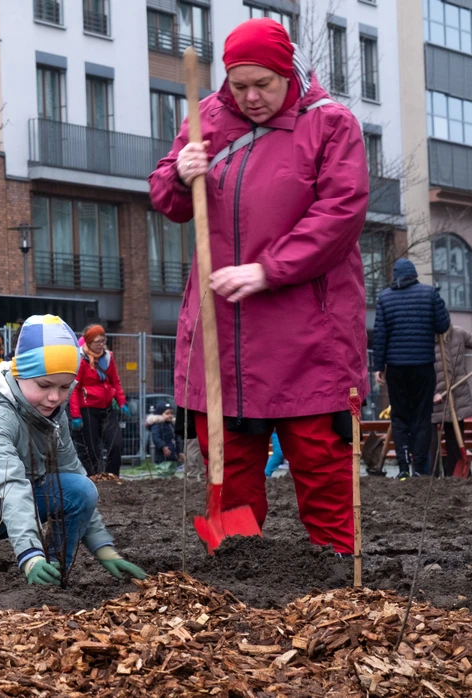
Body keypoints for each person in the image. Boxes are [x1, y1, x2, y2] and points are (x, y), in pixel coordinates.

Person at [149, 18, 369, 555]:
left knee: (321, 464)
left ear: (287, 73)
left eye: (263, 84)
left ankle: (339, 570)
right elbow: (168, 199)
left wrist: (268, 270)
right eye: (239, 84)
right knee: (230, 475)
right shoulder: (206, 117)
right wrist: (178, 173)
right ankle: (237, 570)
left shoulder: (331, 124)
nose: (250, 97)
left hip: (309, 337)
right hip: (222, 339)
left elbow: (340, 214)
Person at [0, 315, 146, 590]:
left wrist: (103, 547)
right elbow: (8, 483)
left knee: (82, 490)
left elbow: (71, 472)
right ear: (20, 374)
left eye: (64, 386)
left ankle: (54, 568)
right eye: (44, 385)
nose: (55, 397)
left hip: (4, 494)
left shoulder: (52, 412)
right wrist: (29, 555)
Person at [373, 258, 449, 478]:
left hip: (396, 368)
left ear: (395, 276)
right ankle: (419, 469)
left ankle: (403, 468)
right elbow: (443, 325)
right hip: (423, 365)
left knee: (399, 417)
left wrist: (378, 366)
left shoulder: (385, 298)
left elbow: (380, 335)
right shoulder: (429, 293)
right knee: (422, 417)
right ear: (414, 275)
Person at [68, 325, 129, 476]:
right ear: (89, 342)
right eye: (98, 342)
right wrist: (75, 415)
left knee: (116, 444)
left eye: (103, 341)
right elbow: (75, 388)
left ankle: (112, 476)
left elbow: (115, 381)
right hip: (88, 409)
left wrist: (122, 402)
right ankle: (93, 477)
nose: (101, 344)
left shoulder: (108, 358)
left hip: (107, 407)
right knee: (91, 449)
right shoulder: (80, 360)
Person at [431, 325, 472, 477]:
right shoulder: (424, 338)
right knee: (430, 445)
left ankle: (454, 477)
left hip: (456, 399)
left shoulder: (458, 333)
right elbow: (416, 371)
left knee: (455, 442)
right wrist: (431, 394)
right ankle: (430, 478)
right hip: (433, 402)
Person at [148, 403, 179, 474]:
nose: (170, 415)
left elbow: (176, 440)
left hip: (172, 456)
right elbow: (156, 438)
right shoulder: (157, 425)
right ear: (160, 414)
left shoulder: (171, 425)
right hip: (163, 457)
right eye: (167, 413)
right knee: (163, 473)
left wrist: (178, 452)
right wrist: (163, 446)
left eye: (171, 413)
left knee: (172, 473)